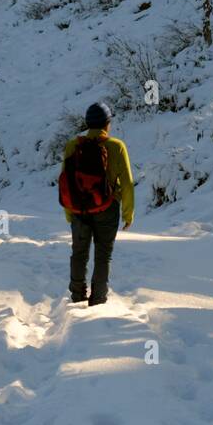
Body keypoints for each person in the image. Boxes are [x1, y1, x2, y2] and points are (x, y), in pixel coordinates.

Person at [59, 102, 134, 306]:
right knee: (103, 255)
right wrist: (128, 214)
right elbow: (127, 183)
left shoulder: (73, 146)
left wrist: (69, 212)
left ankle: (77, 296)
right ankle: (98, 299)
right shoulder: (116, 146)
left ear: (87, 123)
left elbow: (66, 182)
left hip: (79, 209)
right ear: (107, 123)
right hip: (107, 209)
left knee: (79, 252)